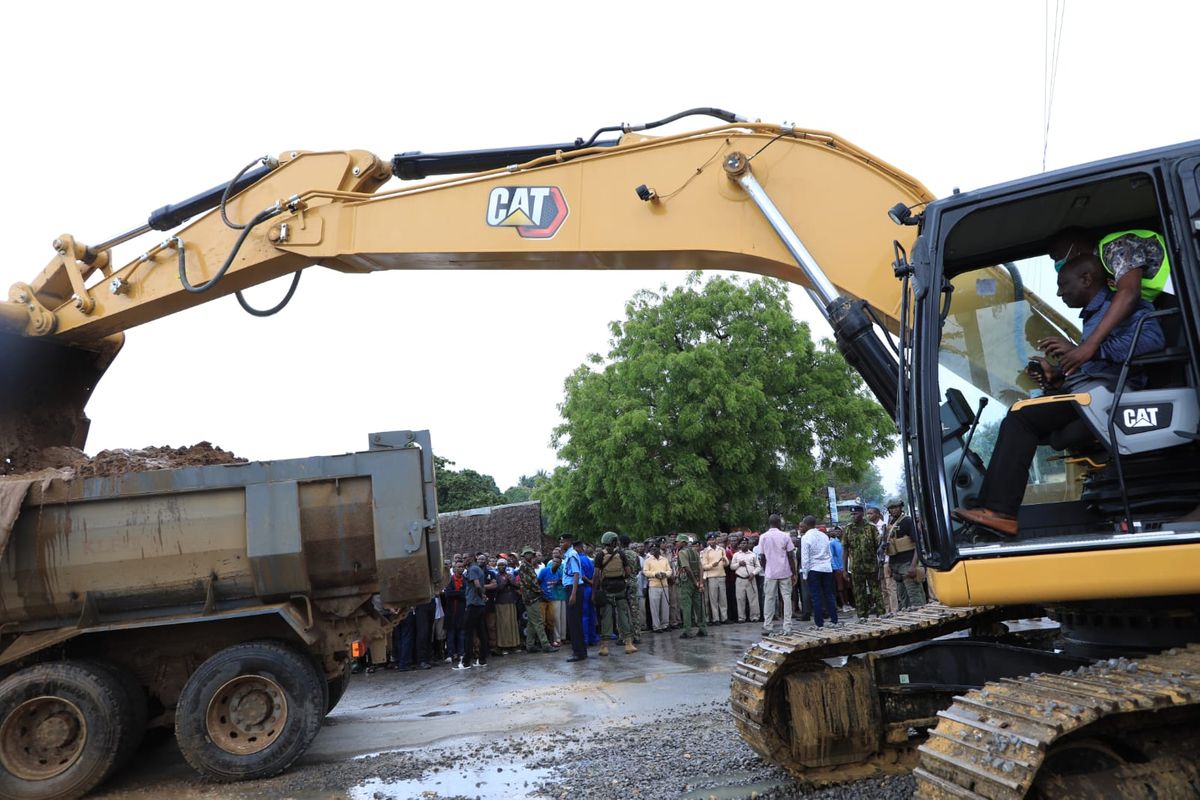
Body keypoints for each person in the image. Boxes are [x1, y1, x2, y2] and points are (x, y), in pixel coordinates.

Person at [955, 253, 1166, 535]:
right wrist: (1056, 375)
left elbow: (1153, 341)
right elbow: (1093, 365)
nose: (1059, 292)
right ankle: (990, 509)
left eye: (1063, 285)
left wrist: (1087, 349)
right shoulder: (1094, 318)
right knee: (1026, 417)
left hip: (1113, 395)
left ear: (1087, 279)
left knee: (1022, 418)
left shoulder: (1127, 308)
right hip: (1090, 393)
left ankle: (1000, 511)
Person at [1046, 227, 1171, 375]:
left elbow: (1129, 292)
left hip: (1188, 285)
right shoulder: (1105, 280)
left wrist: (1089, 347)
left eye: (1056, 257)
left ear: (1074, 249)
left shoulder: (1116, 247)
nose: (1058, 265)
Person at [594, 531, 637, 655]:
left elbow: (596, 575)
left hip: (607, 589)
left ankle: (604, 647)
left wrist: (594, 592)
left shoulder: (600, 555)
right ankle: (628, 644)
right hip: (621, 589)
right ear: (613, 541)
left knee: (606, 617)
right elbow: (628, 572)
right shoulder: (621, 554)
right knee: (624, 615)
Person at [882, 498, 925, 609]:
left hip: (907, 563)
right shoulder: (889, 524)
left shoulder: (907, 521)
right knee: (902, 598)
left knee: (915, 596)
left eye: (896, 507)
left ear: (901, 507)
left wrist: (913, 565)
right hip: (895, 565)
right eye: (891, 508)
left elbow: (918, 545)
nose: (894, 510)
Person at [843, 506, 884, 618]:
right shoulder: (848, 528)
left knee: (876, 592)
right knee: (859, 594)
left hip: (871, 566)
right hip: (856, 567)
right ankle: (862, 617)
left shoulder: (871, 528)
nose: (853, 516)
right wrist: (845, 569)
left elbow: (878, 547)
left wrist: (880, 564)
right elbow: (845, 549)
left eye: (855, 514)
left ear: (862, 514)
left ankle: (881, 615)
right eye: (852, 514)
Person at [758, 514, 796, 635]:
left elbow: (762, 557)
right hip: (785, 571)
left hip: (770, 572)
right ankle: (787, 626)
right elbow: (791, 555)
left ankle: (768, 625)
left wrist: (766, 569)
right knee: (786, 598)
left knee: (769, 598)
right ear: (779, 523)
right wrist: (793, 572)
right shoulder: (785, 536)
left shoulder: (763, 537)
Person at [519, 546, 557, 653]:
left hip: (532, 596)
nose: (530, 555)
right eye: (527, 554)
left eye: (530, 554)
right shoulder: (524, 567)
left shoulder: (528, 566)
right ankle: (545, 645)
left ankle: (530, 645)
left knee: (532, 622)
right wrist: (540, 590)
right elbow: (529, 583)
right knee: (539, 621)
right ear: (524, 556)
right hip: (531, 597)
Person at [800, 521, 838, 628]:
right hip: (826, 568)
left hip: (813, 568)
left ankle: (819, 622)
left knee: (816, 596)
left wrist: (805, 574)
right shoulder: (824, 536)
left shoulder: (805, 537)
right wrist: (828, 565)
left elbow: (805, 558)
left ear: (807, 525)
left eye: (802, 526)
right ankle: (834, 619)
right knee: (829, 594)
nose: (800, 529)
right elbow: (829, 553)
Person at [463, 552, 494, 669]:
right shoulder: (478, 569)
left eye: (466, 557)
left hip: (473, 604)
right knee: (481, 632)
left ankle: (466, 662)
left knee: (468, 633)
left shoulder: (473, 569)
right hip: (479, 605)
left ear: (472, 558)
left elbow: (476, 584)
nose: (464, 559)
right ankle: (482, 660)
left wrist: (482, 595)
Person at [560, 534, 587, 662]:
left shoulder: (571, 555)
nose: (561, 544)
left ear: (569, 542)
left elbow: (576, 574)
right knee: (575, 622)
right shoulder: (568, 555)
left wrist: (573, 594)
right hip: (571, 588)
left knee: (574, 622)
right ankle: (581, 651)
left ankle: (578, 652)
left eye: (563, 542)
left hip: (573, 588)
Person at [675, 534, 708, 638]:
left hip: (687, 581)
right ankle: (703, 629)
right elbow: (700, 567)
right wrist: (700, 582)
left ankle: (687, 631)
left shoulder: (682, 552)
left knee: (686, 607)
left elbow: (687, 568)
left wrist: (694, 582)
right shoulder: (694, 551)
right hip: (697, 580)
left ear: (683, 543)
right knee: (699, 606)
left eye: (678, 541)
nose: (676, 543)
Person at [442, 559, 469, 669]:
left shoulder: (466, 580)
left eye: (462, 566)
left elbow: (466, 594)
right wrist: (460, 593)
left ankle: (461, 653)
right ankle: (450, 654)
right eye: (458, 567)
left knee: (461, 633)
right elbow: (448, 594)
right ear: (454, 568)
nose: (460, 568)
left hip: (462, 611)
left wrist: (456, 594)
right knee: (451, 634)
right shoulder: (449, 580)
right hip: (451, 611)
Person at [642, 541, 673, 632]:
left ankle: (665, 625)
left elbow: (669, 570)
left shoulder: (664, 559)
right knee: (655, 607)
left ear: (659, 549)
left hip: (664, 584)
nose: (654, 550)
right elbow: (645, 572)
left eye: (655, 549)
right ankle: (656, 626)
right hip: (654, 585)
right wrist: (655, 574)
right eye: (652, 549)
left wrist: (665, 574)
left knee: (665, 606)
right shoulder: (648, 560)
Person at [730, 537, 761, 623]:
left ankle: (754, 616)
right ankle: (741, 617)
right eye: (742, 543)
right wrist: (739, 564)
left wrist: (753, 573)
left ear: (748, 544)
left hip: (750, 579)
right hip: (740, 579)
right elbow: (732, 567)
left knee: (753, 599)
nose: (743, 545)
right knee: (740, 599)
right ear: (739, 545)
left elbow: (758, 567)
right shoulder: (736, 555)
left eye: (745, 543)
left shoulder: (753, 554)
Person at [701, 534, 730, 624]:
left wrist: (725, 561)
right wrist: (711, 565)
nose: (712, 541)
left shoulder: (721, 549)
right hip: (712, 577)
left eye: (714, 539)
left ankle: (724, 618)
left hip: (721, 575)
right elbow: (704, 566)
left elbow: (726, 563)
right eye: (710, 540)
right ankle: (716, 618)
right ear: (708, 541)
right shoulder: (706, 551)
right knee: (713, 599)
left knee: (723, 599)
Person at [620, 534, 643, 643]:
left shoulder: (618, 554)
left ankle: (623, 637)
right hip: (633, 583)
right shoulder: (635, 554)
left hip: (621, 584)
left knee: (621, 611)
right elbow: (638, 569)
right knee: (634, 610)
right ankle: (637, 636)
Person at [827, 526, 849, 611]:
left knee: (847, 587)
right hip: (838, 568)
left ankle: (847, 603)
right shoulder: (832, 543)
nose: (837, 532)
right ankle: (843, 604)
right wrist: (835, 567)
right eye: (836, 531)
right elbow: (832, 556)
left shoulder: (845, 541)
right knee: (840, 587)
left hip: (846, 567)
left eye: (839, 530)